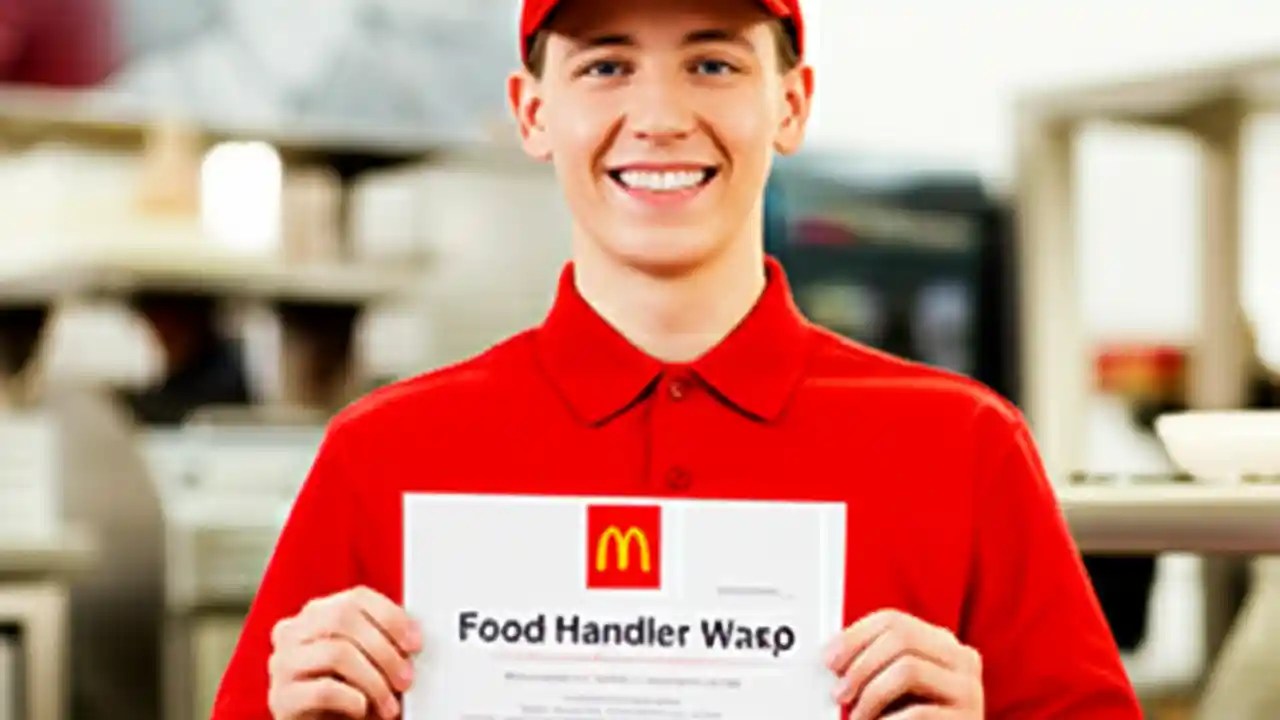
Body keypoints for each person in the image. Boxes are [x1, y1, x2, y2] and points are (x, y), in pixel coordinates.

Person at [211, 0, 1142, 718]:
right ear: (533, 112)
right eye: (607, 65)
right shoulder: (386, 454)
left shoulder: (961, 445)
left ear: (791, 101)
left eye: (712, 62)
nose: (659, 116)